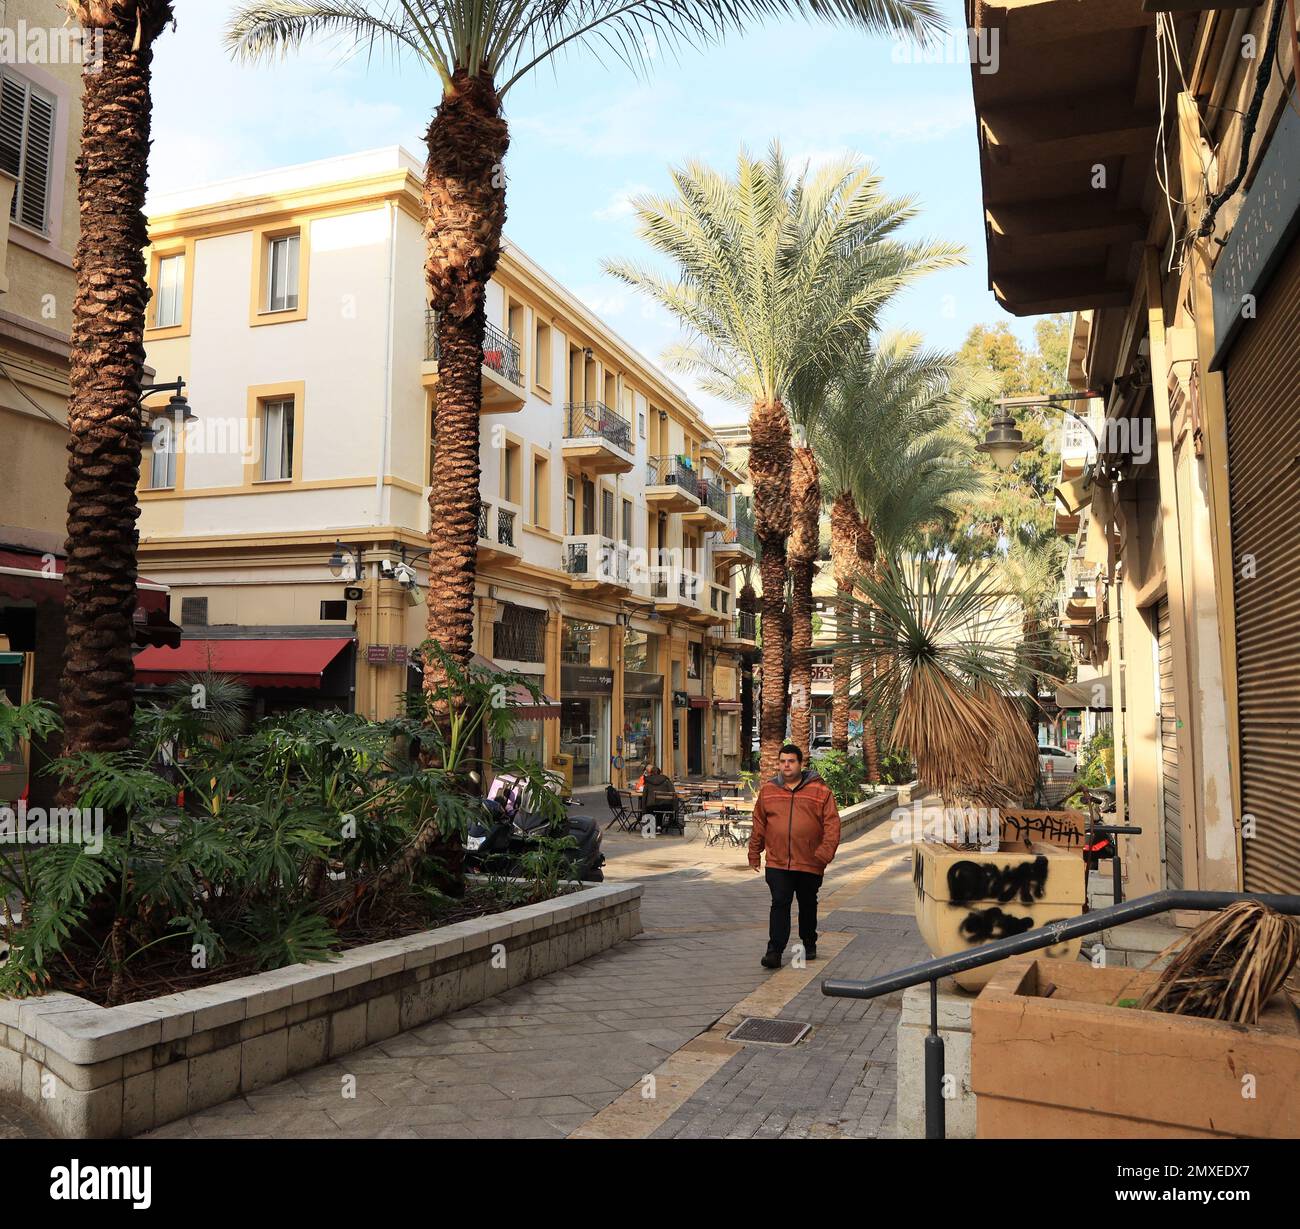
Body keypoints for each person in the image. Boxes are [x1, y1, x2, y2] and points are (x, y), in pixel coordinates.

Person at [748, 743, 841, 969]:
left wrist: (824, 854)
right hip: (778, 862)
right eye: (782, 761)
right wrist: (754, 851)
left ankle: (809, 941)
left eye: (791, 761)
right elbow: (759, 823)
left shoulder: (820, 791)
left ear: (801, 764)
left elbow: (832, 824)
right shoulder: (769, 791)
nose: (786, 765)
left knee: (807, 904)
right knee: (779, 903)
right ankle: (774, 951)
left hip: (810, 862)